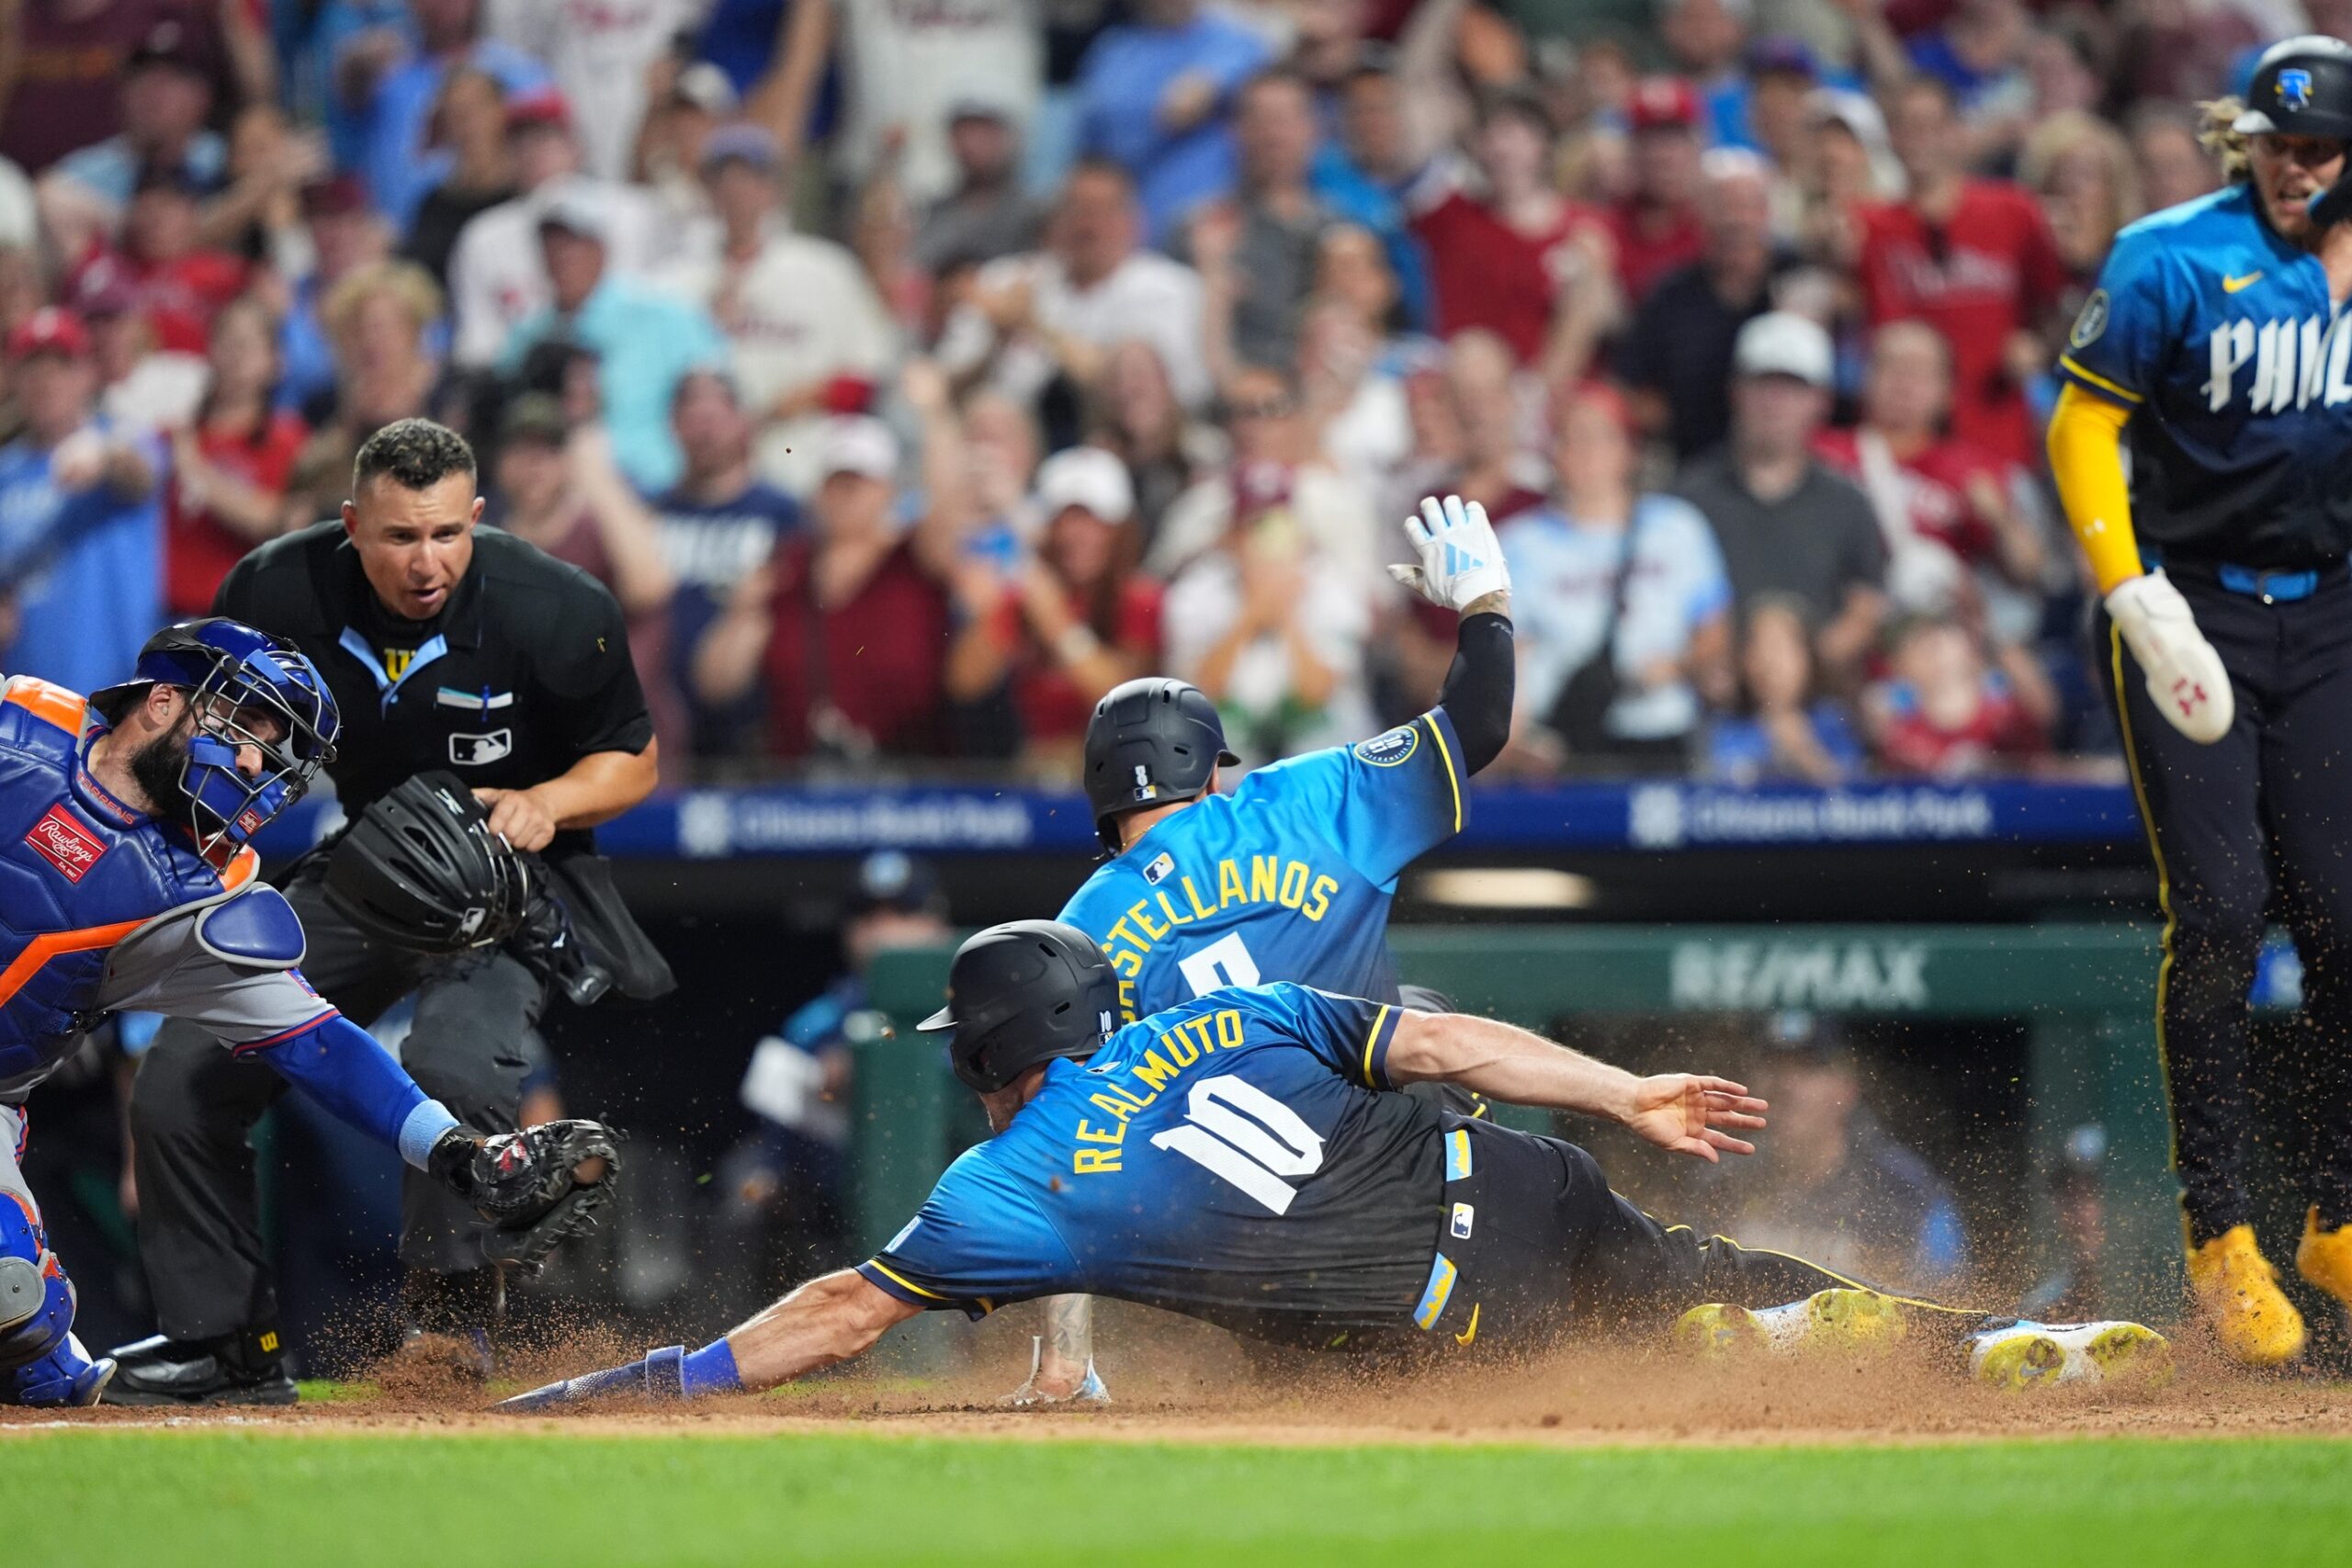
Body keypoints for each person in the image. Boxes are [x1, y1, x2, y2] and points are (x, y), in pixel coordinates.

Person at [497, 920, 2173, 1411]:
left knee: (1668, 1337)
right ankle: (1969, 1343)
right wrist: (1625, 1091)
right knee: (1690, 1275)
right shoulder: (1225, 1013)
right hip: (1523, 1177)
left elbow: (848, 1312)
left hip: (1436, 1311)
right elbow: (1445, 1045)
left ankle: (1801, 1340)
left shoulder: (1007, 1184)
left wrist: (672, 1370)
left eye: (974, 1056)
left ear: (1007, 1057)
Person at [118, 418, 662, 1403]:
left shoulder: (554, 605)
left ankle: (450, 1336)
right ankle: (222, 1347)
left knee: (451, 1064)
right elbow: (211, 727)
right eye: (401, 536)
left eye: (448, 534)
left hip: (513, 880)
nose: (427, 561)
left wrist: (551, 800)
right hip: (367, 868)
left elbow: (636, 760)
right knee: (182, 1075)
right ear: (350, 525)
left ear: (478, 520)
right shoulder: (274, 590)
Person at [0, 617, 616, 1407]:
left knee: (30, 1328)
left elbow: (320, 1044)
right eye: (247, 726)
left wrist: (457, 1149)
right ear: (161, 702)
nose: (256, 760)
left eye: (274, 747)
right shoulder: (21, 719)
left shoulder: (204, 900)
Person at [1012, 491, 1511, 1403]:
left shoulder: (1080, 926)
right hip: (1423, 1198)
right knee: (1421, 1026)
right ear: (1209, 770)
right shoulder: (1297, 802)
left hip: (1275, 1261)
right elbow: (1477, 726)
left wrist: (1064, 1359)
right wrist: (1483, 607)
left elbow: (1055, 1156)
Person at [2045, 37, 2352, 1369]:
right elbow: (2081, 422)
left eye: (2321, 147)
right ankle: (2222, 1233)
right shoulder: (2168, 255)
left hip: (2333, 605)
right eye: (2279, 146)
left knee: (2346, 911)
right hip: (2193, 605)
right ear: (2246, 145)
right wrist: (2125, 586)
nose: (2299, 168)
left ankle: (2340, 1209)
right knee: (2223, 912)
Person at [718, 851, 952, 1310]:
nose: (885, 931)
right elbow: (778, 1143)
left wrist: (870, 1072)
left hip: (949, 1192)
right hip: (838, 1203)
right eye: (869, 917)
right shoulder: (817, 1023)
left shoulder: (977, 1007)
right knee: (748, 1189)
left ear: (937, 927)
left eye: (904, 914)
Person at [691, 416, 954, 764]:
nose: (844, 496)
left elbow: (950, 513)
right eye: (835, 482)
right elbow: (716, 686)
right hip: (803, 787)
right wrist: (744, 611)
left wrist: (934, 412)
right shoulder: (786, 567)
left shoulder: (915, 561)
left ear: (888, 491)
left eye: (857, 483)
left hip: (911, 782)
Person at [659, 124, 899, 499]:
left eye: (751, 177)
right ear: (707, 190)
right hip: (698, 473)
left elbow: (870, 376)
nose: (737, 191)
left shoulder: (824, 268)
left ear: (776, 189)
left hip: (798, 456)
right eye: (724, 178)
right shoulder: (675, 281)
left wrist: (797, 401)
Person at [1501, 384, 1731, 772]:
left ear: (1629, 450)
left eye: (1602, 437)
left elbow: (1715, 636)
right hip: (1566, 738)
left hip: (1662, 730)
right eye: (1573, 438)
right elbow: (1512, 661)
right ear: (1554, 452)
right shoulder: (1519, 544)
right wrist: (1514, 746)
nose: (1587, 452)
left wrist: (1673, 668)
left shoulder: (1677, 528)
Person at [1853, 75, 2068, 468]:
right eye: (1905, 126)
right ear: (1890, 138)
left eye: (1931, 125)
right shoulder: (1870, 227)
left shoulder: (2014, 211)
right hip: (1906, 447)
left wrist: (2036, 345)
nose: (1918, 138)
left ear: (1955, 132)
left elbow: (2057, 307)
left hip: (1997, 432)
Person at [1675, 312, 1887, 694]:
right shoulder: (1684, 501)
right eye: (1762, 384)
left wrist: (1795, 670)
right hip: (1705, 700)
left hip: (1816, 701)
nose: (1774, 403)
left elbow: (1865, 608)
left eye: (1792, 388)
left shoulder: (1847, 503)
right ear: (1736, 391)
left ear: (1820, 401)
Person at [944, 446, 1162, 773]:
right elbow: (964, 682)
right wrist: (990, 607)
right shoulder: (1028, 592)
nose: (1077, 534)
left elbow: (1124, 701)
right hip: (1039, 774)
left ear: (1120, 530)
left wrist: (1057, 623)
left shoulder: (1139, 599)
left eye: (1093, 520)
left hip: (1126, 776)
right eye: (1064, 518)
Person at [1717, 1013, 1971, 1293]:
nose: (1785, 1086)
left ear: (1846, 1088)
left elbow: (1946, 1302)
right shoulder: (1721, 1183)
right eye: (1772, 1068)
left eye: (1807, 1069)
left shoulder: (1902, 1189)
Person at [499, 187, 729, 494]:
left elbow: (719, 392)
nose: (561, 254)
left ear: (601, 249)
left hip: (653, 487)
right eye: (551, 244)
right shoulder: (528, 334)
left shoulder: (663, 315)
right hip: (555, 496)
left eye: (573, 242)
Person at [0, 308, 164, 702]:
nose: (46, 380)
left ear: (88, 373)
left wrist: (106, 457)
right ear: (14, 377)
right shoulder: (6, 471)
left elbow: (141, 474)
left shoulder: (127, 438)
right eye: (33, 366)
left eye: (62, 364)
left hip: (116, 694)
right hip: (26, 703)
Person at [650, 370, 802, 764]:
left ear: (742, 423)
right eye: (693, 421)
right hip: (660, 719)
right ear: (673, 427)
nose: (704, 434)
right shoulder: (651, 513)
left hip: (750, 729)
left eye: (714, 420)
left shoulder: (784, 514)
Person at [163, 298, 309, 616]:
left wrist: (196, 471)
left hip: (237, 619)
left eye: (249, 343)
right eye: (226, 340)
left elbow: (276, 519)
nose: (236, 354)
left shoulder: (287, 438)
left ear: (276, 361)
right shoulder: (178, 433)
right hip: (164, 616)